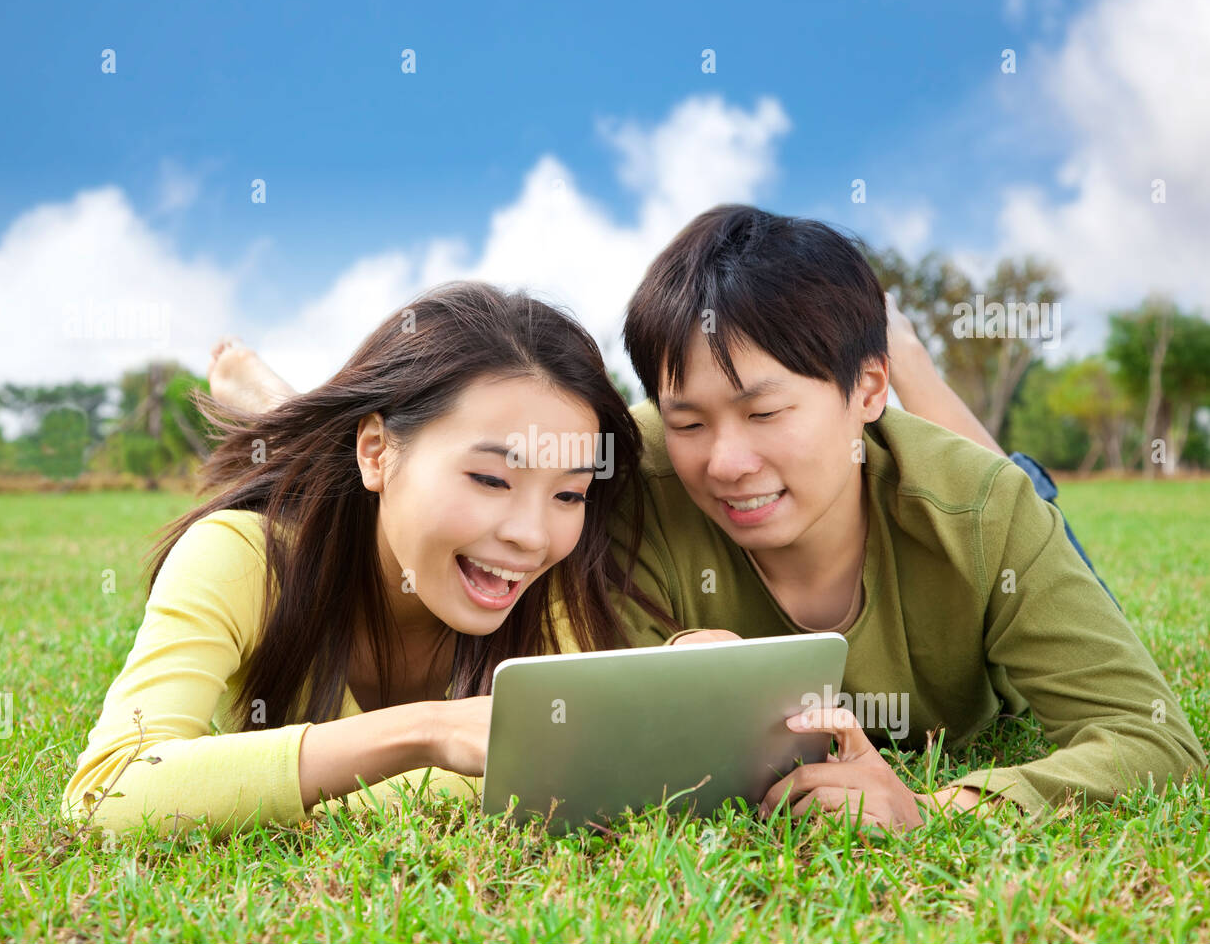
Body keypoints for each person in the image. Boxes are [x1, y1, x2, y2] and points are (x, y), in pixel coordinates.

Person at [608, 205, 1205, 829]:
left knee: (1017, 490)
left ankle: (911, 361)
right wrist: (674, 660)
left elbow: (1153, 740)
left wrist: (931, 809)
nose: (725, 464)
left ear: (868, 390)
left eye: (764, 414)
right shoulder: (636, 474)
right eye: (688, 423)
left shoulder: (984, 508)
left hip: (976, 497)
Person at [60, 282, 669, 840]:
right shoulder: (244, 556)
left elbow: (571, 771)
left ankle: (277, 408)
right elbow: (109, 793)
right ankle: (279, 410)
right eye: (490, 478)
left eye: (569, 493)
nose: (532, 537)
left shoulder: (551, 577)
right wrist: (432, 732)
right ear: (375, 449)